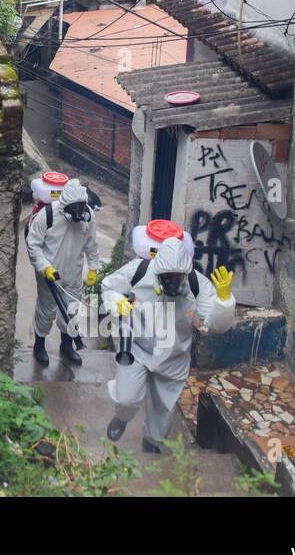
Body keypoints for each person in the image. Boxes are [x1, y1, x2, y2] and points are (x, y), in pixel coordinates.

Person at [100, 236, 235, 453]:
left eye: (177, 276)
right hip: (138, 349)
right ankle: (122, 417)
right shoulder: (140, 271)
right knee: (126, 398)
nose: (172, 281)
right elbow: (109, 286)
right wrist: (118, 302)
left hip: (174, 356)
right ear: (157, 272)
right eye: (167, 277)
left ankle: (152, 442)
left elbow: (215, 325)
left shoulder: (197, 285)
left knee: (163, 407)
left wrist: (224, 301)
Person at [26, 178, 99, 367]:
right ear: (64, 205)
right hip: (49, 274)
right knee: (46, 310)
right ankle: (39, 345)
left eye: (80, 208)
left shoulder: (88, 216)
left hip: (73, 272)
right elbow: (33, 245)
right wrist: (44, 267)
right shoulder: (47, 215)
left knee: (72, 310)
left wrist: (93, 267)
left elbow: (92, 245)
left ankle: (67, 346)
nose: (77, 213)